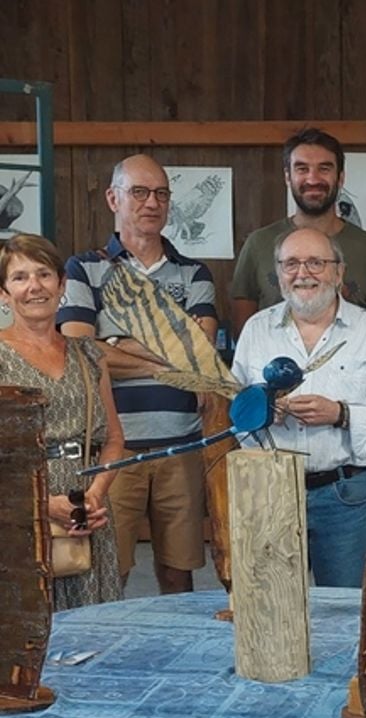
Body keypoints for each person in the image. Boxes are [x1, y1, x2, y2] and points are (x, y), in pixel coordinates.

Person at [59, 154, 217, 594]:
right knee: (111, 569)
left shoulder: (194, 272)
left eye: (161, 193)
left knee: (179, 571)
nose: (152, 203)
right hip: (115, 447)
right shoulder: (82, 268)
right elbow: (80, 349)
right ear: (114, 198)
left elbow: (199, 349)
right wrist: (166, 352)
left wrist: (118, 345)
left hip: (182, 443)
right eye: (139, 192)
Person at [232, 227, 366, 588]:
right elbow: (235, 416)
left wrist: (340, 414)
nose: (303, 273)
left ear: (339, 272)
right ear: (278, 273)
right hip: (270, 491)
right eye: (291, 263)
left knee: (345, 610)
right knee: (272, 608)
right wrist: (261, 412)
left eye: (316, 262)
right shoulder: (255, 330)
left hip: (344, 496)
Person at [0, 234, 125, 610]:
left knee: (94, 634)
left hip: (89, 513)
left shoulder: (89, 354)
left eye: (43, 274)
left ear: (62, 284)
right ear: (4, 293)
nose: (34, 286)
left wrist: (96, 495)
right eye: (19, 277)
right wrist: (41, 503)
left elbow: (114, 438)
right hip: (19, 511)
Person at [230, 127, 366, 343]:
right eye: (302, 169)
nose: (313, 179)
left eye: (324, 169)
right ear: (287, 177)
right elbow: (243, 335)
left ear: (340, 178)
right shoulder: (258, 245)